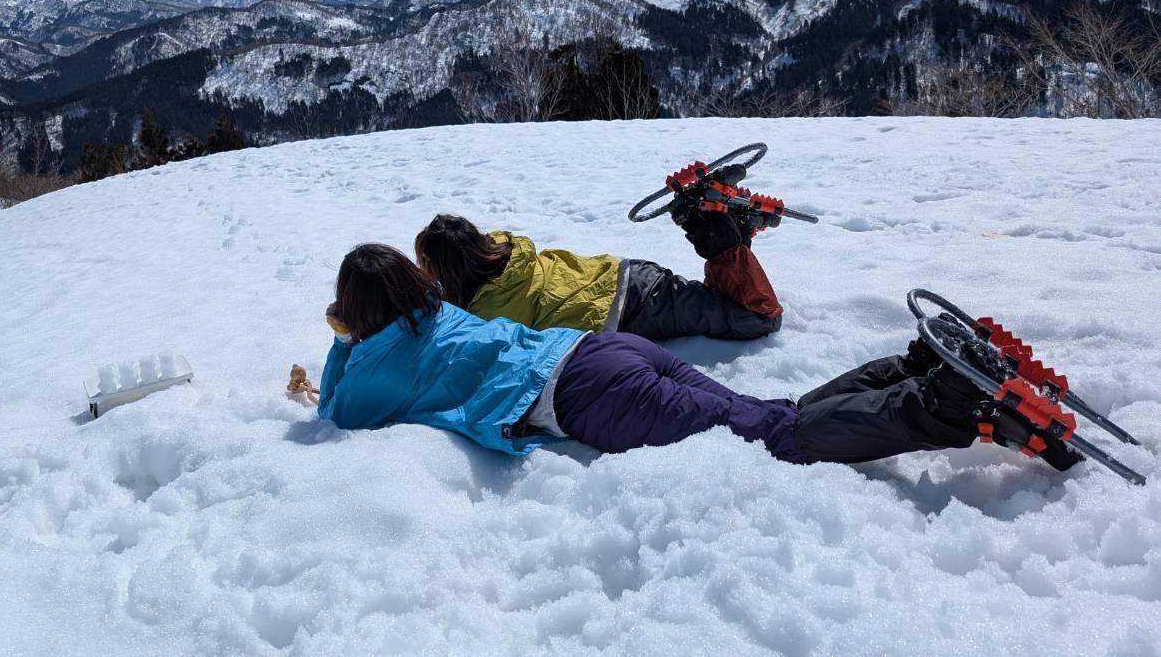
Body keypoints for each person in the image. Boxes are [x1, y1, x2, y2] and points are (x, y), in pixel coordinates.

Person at [317, 243, 1081, 471]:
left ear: (356, 311)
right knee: (772, 417)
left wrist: (341, 336)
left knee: (778, 440)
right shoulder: (444, 311)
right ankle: (919, 369)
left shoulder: (375, 368)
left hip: (585, 397)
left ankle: (950, 404)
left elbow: (336, 408)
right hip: (605, 349)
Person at [413, 210, 780, 343]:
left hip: (633, 308)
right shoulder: (506, 248)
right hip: (629, 276)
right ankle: (724, 235)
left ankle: (720, 235)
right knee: (717, 302)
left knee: (759, 319)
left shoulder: (489, 313)